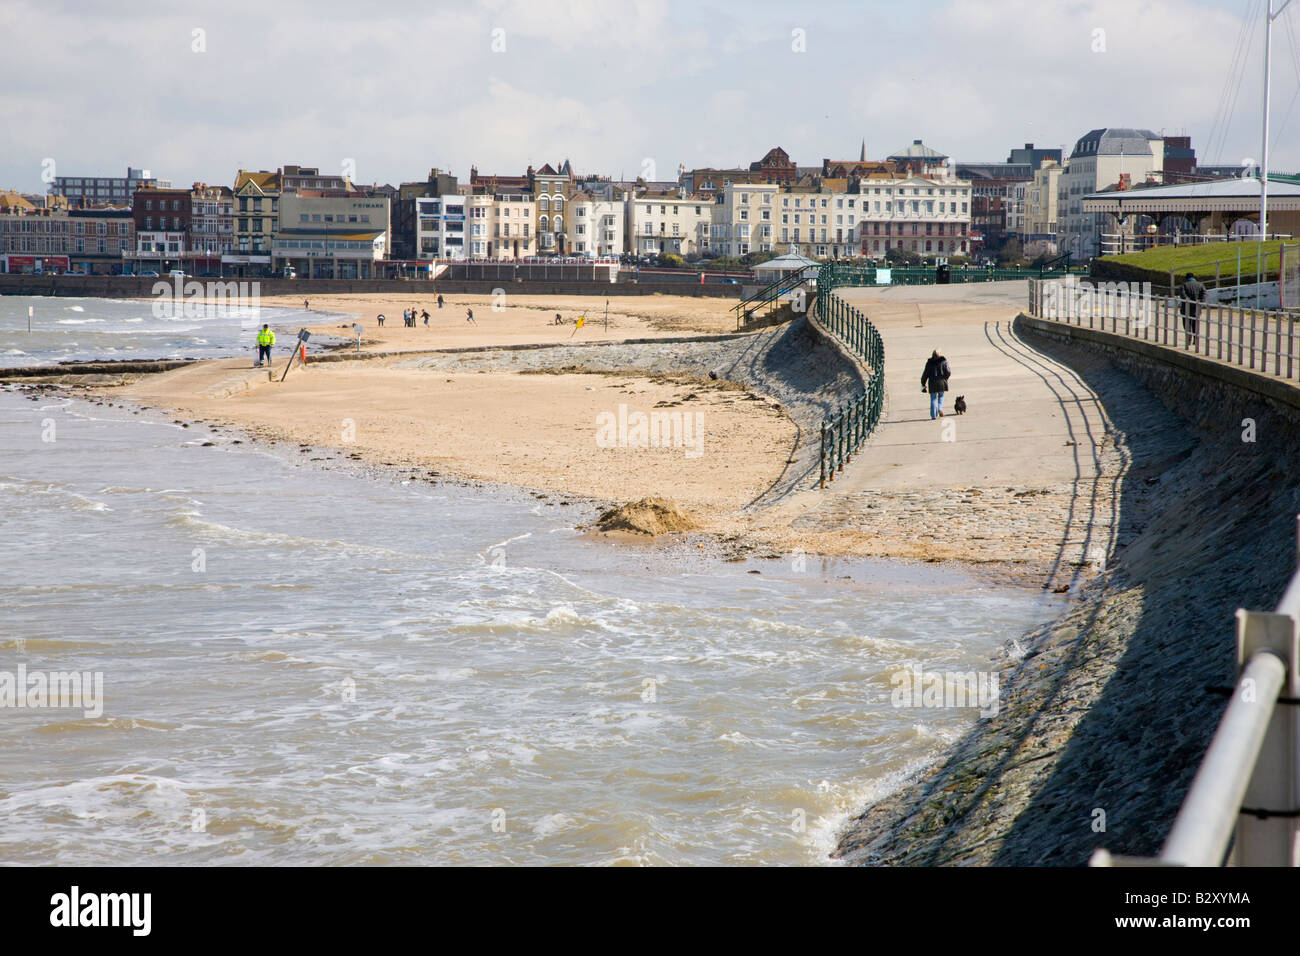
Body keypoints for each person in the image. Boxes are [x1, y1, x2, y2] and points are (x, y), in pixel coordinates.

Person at [920, 349, 951, 419]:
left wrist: (923, 383)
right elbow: (948, 372)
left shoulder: (929, 363)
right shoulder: (944, 361)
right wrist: (946, 378)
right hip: (942, 382)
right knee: (941, 396)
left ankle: (933, 415)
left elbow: (925, 374)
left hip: (932, 383)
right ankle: (940, 408)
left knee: (933, 399)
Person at [1180, 272, 1206, 347]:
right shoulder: (1200, 285)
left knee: (1187, 324)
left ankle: (1188, 340)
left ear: (1186, 278)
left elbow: (1183, 295)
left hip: (1186, 308)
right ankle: (1196, 339)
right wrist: (1201, 302)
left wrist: (1188, 301)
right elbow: (1204, 294)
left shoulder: (1184, 285)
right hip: (1197, 307)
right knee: (1195, 324)